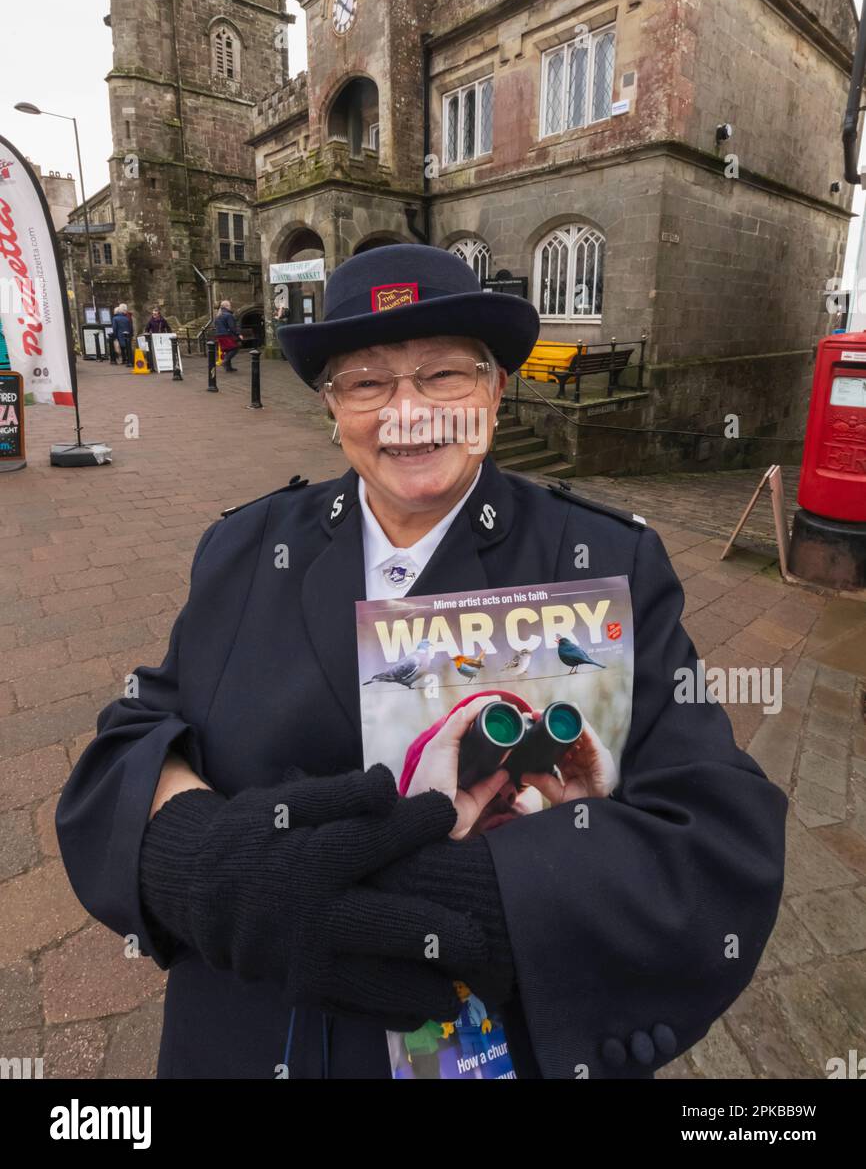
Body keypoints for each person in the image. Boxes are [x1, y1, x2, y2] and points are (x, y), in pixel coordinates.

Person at [55, 244, 786, 1079]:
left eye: (443, 376)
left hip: (484, 1039)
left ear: (495, 392)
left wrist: (482, 895)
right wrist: (198, 860)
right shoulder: (245, 548)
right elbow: (134, 738)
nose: (409, 415)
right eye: (367, 383)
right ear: (332, 408)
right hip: (254, 1034)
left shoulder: (601, 560)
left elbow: (720, 838)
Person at [214, 298, 241, 372]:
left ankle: (228, 368)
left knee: (228, 350)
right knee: (234, 348)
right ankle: (224, 362)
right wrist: (238, 335)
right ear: (226, 306)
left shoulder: (218, 315)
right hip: (226, 335)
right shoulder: (228, 315)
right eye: (230, 305)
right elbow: (232, 327)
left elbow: (215, 325)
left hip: (219, 335)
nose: (231, 306)